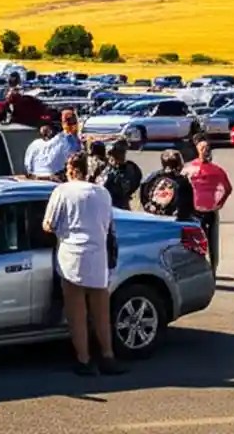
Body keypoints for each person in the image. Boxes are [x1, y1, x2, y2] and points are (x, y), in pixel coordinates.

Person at [42, 152, 125, 376]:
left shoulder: (62, 192)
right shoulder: (102, 193)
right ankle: (107, 356)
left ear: (70, 170)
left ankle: (84, 359)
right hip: (98, 256)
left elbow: (48, 225)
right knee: (101, 311)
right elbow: (108, 225)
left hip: (72, 256)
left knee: (76, 312)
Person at [183, 135, 233, 273]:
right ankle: (195, 267)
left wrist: (219, 203)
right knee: (194, 241)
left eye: (207, 148)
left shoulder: (216, 170)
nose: (205, 151)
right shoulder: (189, 169)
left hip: (210, 211)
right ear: (197, 149)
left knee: (212, 242)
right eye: (202, 148)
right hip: (194, 211)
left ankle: (213, 269)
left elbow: (228, 188)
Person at [139, 150, 197, 221]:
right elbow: (187, 207)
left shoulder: (151, 178)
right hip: (173, 222)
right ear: (179, 164)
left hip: (152, 219)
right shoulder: (182, 182)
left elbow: (143, 197)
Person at [96, 139, 144, 210]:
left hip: (119, 205)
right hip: (110, 204)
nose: (122, 154)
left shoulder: (131, 168)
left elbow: (137, 180)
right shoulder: (103, 167)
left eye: (122, 152)